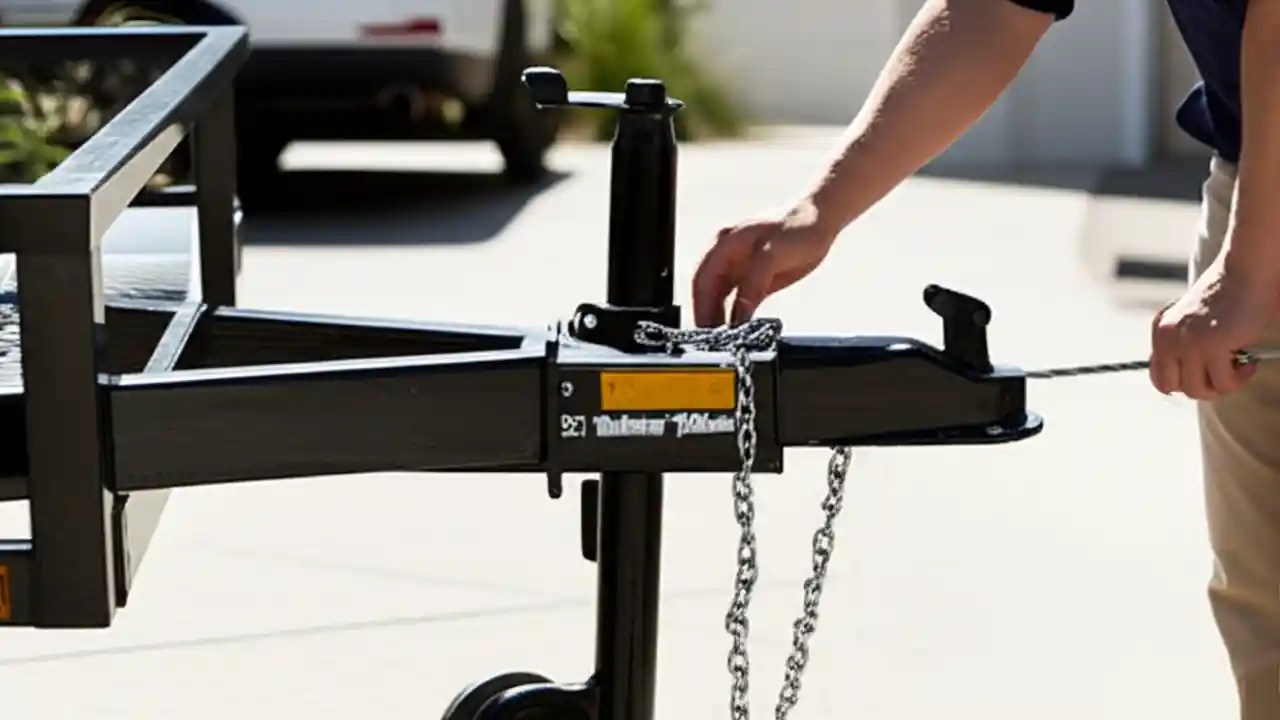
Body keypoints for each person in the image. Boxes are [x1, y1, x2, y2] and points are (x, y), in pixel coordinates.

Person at [691, 0, 1280, 716]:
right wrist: (821, 208)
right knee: (1269, 620)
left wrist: (1248, 274)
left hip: (1261, 223)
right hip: (1256, 177)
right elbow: (997, 9)